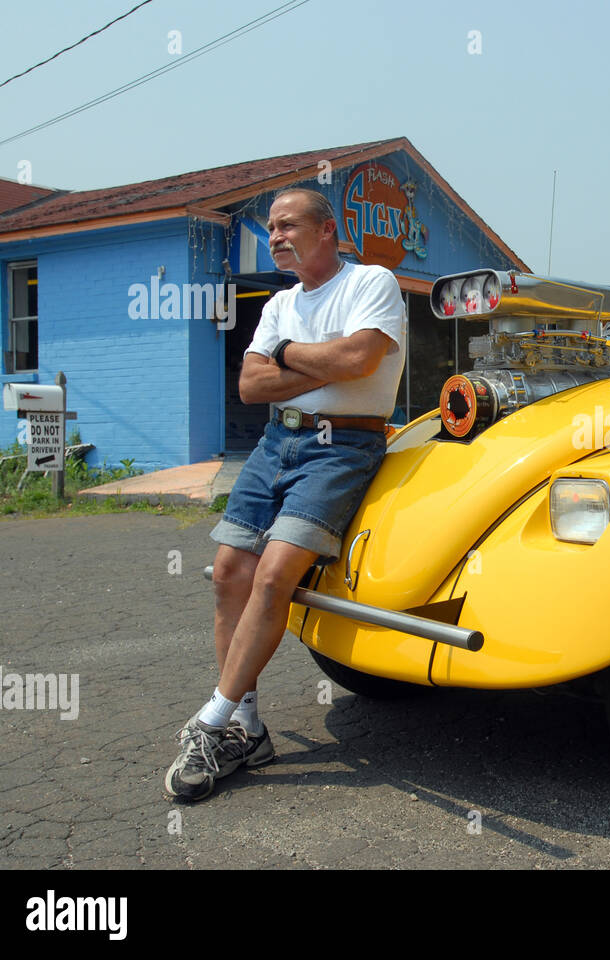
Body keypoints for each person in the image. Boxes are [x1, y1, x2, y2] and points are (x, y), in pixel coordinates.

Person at [164, 187, 407, 802]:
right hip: (275, 444)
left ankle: (212, 720)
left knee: (275, 576)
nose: (275, 236)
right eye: (270, 227)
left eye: (287, 224)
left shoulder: (372, 283)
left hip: (342, 447)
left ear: (327, 230)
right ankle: (246, 723)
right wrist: (317, 363)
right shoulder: (278, 302)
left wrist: (286, 355)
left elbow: (360, 358)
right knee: (228, 572)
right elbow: (251, 385)